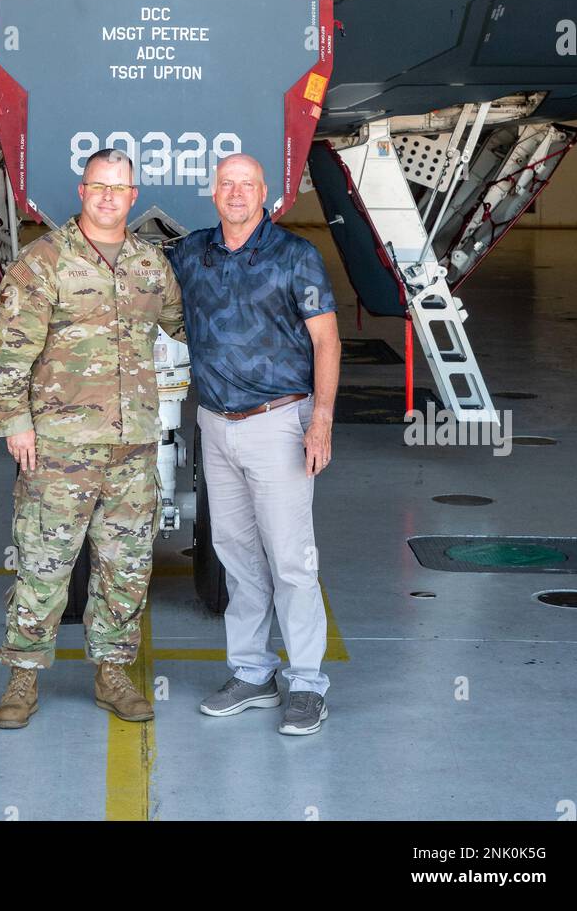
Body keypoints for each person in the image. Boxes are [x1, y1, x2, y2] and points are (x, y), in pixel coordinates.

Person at [0, 148, 185, 728]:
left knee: (126, 564)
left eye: (119, 189)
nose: (108, 197)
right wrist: (14, 422)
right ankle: (22, 679)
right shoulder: (43, 261)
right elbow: (9, 351)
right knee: (45, 564)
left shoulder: (151, 266)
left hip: (134, 446)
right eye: (98, 186)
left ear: (133, 194)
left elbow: (183, 326)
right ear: (82, 190)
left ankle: (112, 674)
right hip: (59, 448)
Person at [168, 153, 340, 736]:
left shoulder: (296, 257)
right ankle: (252, 672)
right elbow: (131, 285)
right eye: (226, 184)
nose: (236, 193)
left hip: (279, 423)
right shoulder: (191, 254)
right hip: (216, 425)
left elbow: (327, 342)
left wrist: (321, 418)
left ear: (268, 194)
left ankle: (308, 682)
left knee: (291, 560)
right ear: (213, 193)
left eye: (247, 184)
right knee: (237, 557)